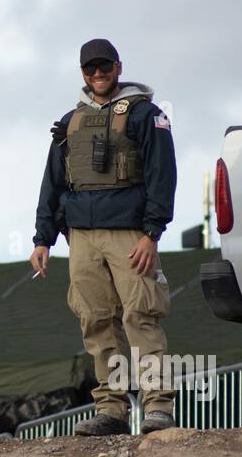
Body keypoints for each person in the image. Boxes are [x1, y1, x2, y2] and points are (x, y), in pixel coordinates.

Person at [29, 39, 178, 436]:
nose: (98, 74)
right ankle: (111, 409)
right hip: (81, 237)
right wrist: (43, 239)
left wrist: (152, 232)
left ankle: (157, 405)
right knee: (95, 321)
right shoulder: (70, 122)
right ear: (82, 73)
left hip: (130, 234)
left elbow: (162, 174)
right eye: (90, 68)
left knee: (140, 314)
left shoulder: (146, 114)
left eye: (105, 66)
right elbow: (52, 182)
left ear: (118, 67)